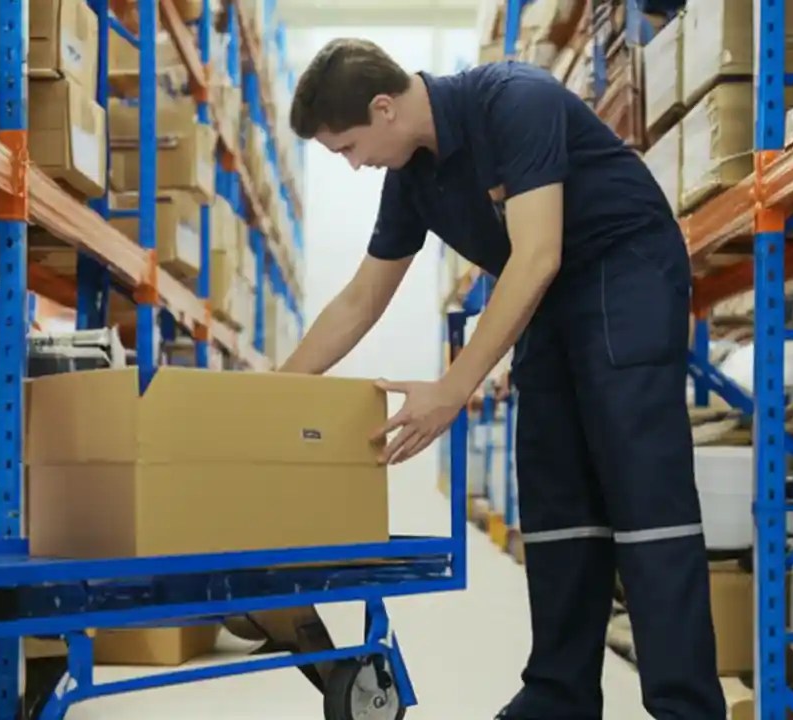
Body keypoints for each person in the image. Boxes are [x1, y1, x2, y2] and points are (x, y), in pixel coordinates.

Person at [274, 38, 727, 719]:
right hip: (544, 295)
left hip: (622, 270)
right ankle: (559, 695)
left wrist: (451, 390)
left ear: (384, 107)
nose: (355, 164)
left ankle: (686, 706)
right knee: (554, 495)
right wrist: (274, 392)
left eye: (348, 147)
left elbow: (539, 250)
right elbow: (362, 299)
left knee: (643, 496)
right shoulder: (412, 176)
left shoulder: (517, 99)